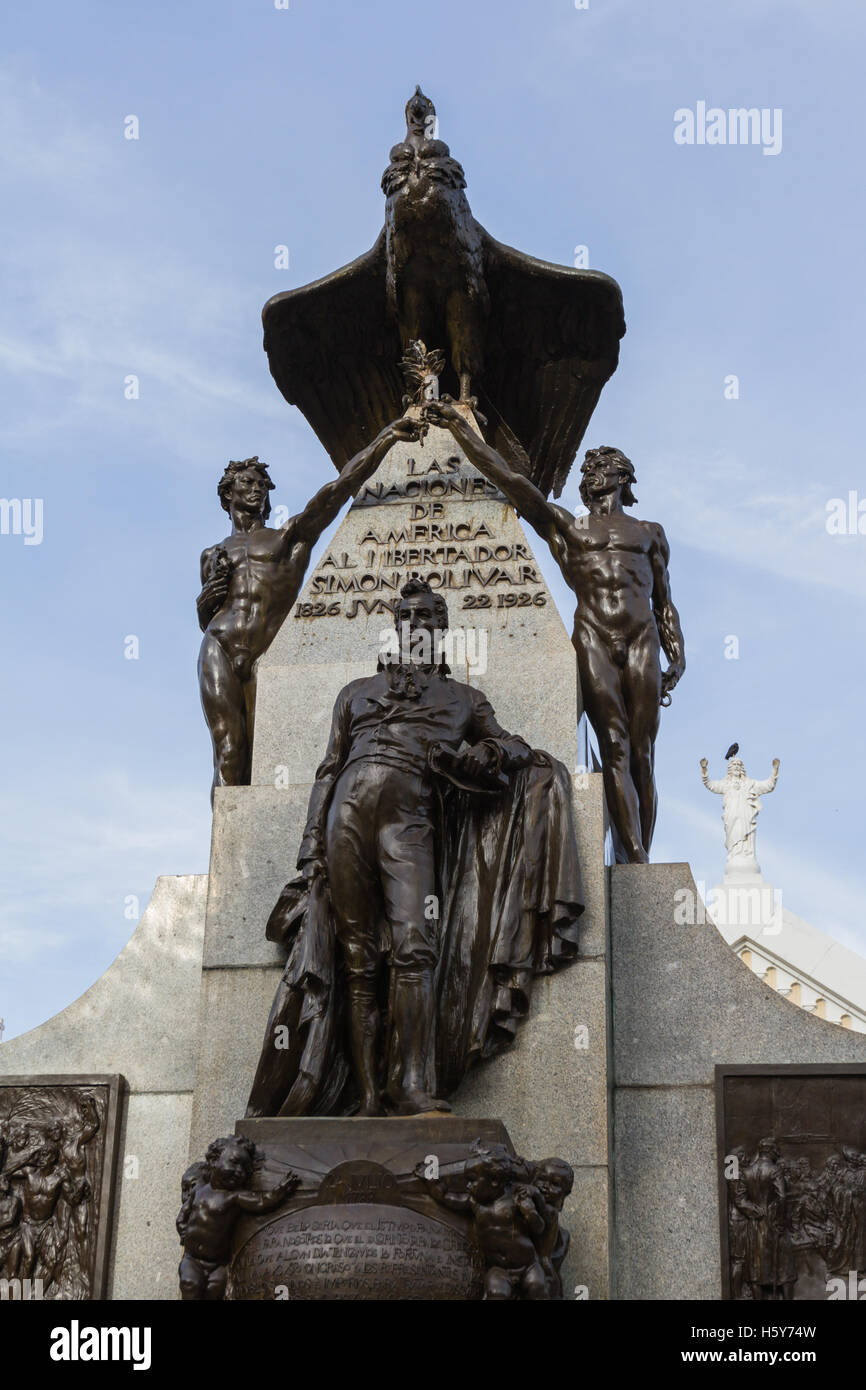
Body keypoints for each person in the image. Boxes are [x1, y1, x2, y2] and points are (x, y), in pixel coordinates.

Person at [422, 397, 684, 862]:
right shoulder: (568, 525)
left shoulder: (649, 532)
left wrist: (677, 654)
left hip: (643, 638)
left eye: (601, 466)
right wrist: (462, 432)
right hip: (594, 636)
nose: (590, 474)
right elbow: (512, 483)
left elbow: (664, 601)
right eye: (587, 469)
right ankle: (636, 855)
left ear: (623, 477)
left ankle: (637, 866)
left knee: (644, 754)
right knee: (616, 746)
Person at [197, 416, 421, 799]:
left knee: (263, 759)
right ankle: (223, 849)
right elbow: (207, 617)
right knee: (228, 752)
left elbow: (336, 491)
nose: (256, 490)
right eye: (246, 483)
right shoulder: (212, 553)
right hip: (218, 646)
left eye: (262, 485)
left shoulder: (288, 537)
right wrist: (202, 602)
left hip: (267, 652)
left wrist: (381, 442)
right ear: (227, 494)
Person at [177, 1136, 297, 1301]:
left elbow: (261, 1202)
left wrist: (279, 1192)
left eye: (245, 1169)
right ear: (214, 1161)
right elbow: (184, 1214)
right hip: (192, 1259)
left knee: (215, 1290)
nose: (239, 1171)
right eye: (234, 1162)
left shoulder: (235, 1197)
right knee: (190, 1284)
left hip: (217, 1264)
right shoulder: (199, 1191)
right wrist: (183, 1230)